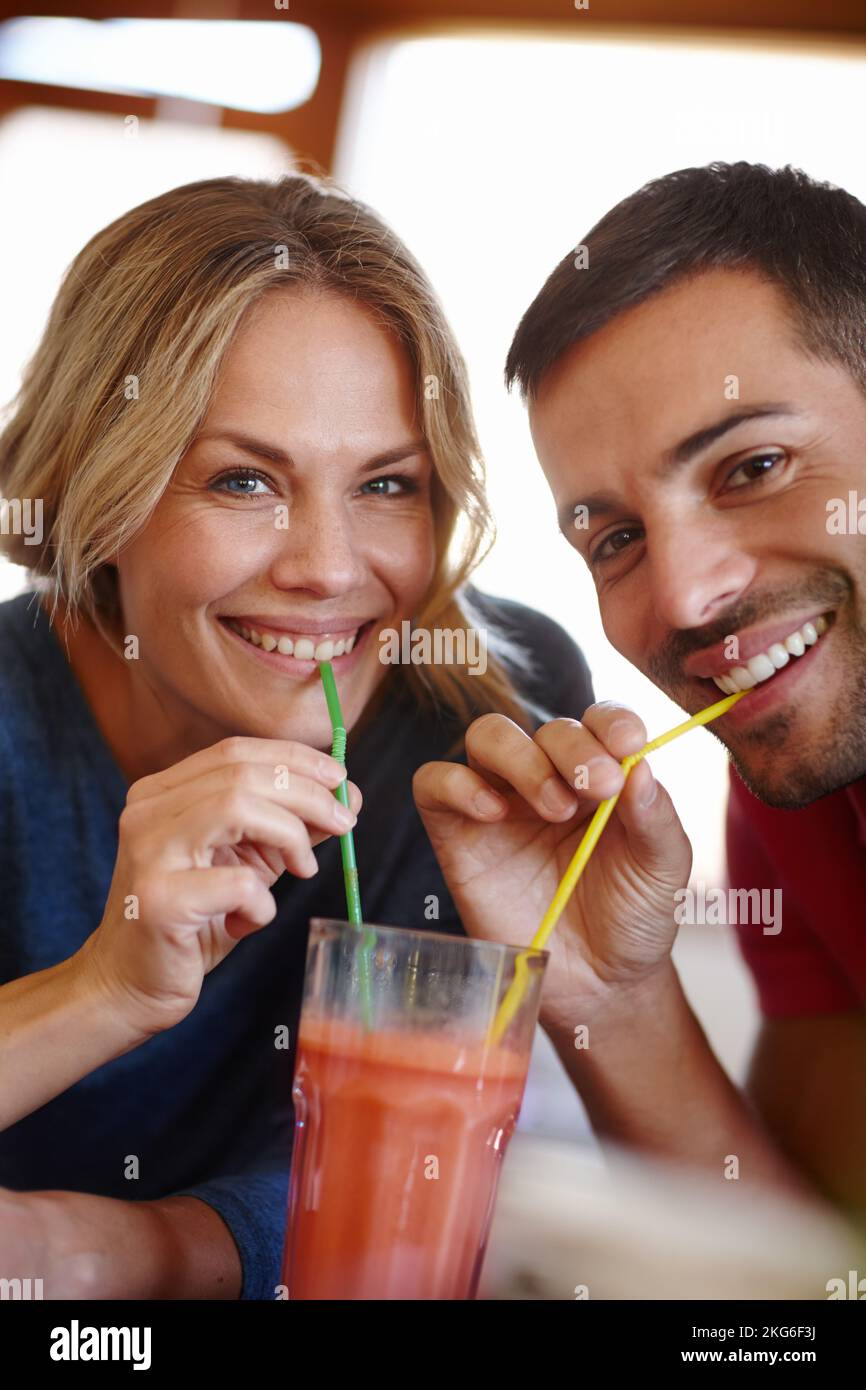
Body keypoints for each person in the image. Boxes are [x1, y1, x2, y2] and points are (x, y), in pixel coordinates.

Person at [0, 172, 593, 1298]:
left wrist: (111, 1250)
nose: (327, 567)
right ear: (91, 483)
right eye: (241, 479)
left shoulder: (486, 710)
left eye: (385, 483)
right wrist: (104, 989)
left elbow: (420, 1176)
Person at [414, 162, 866, 1220]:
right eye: (615, 538)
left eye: (750, 466)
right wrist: (611, 997)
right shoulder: (789, 795)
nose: (682, 594)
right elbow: (803, 1281)